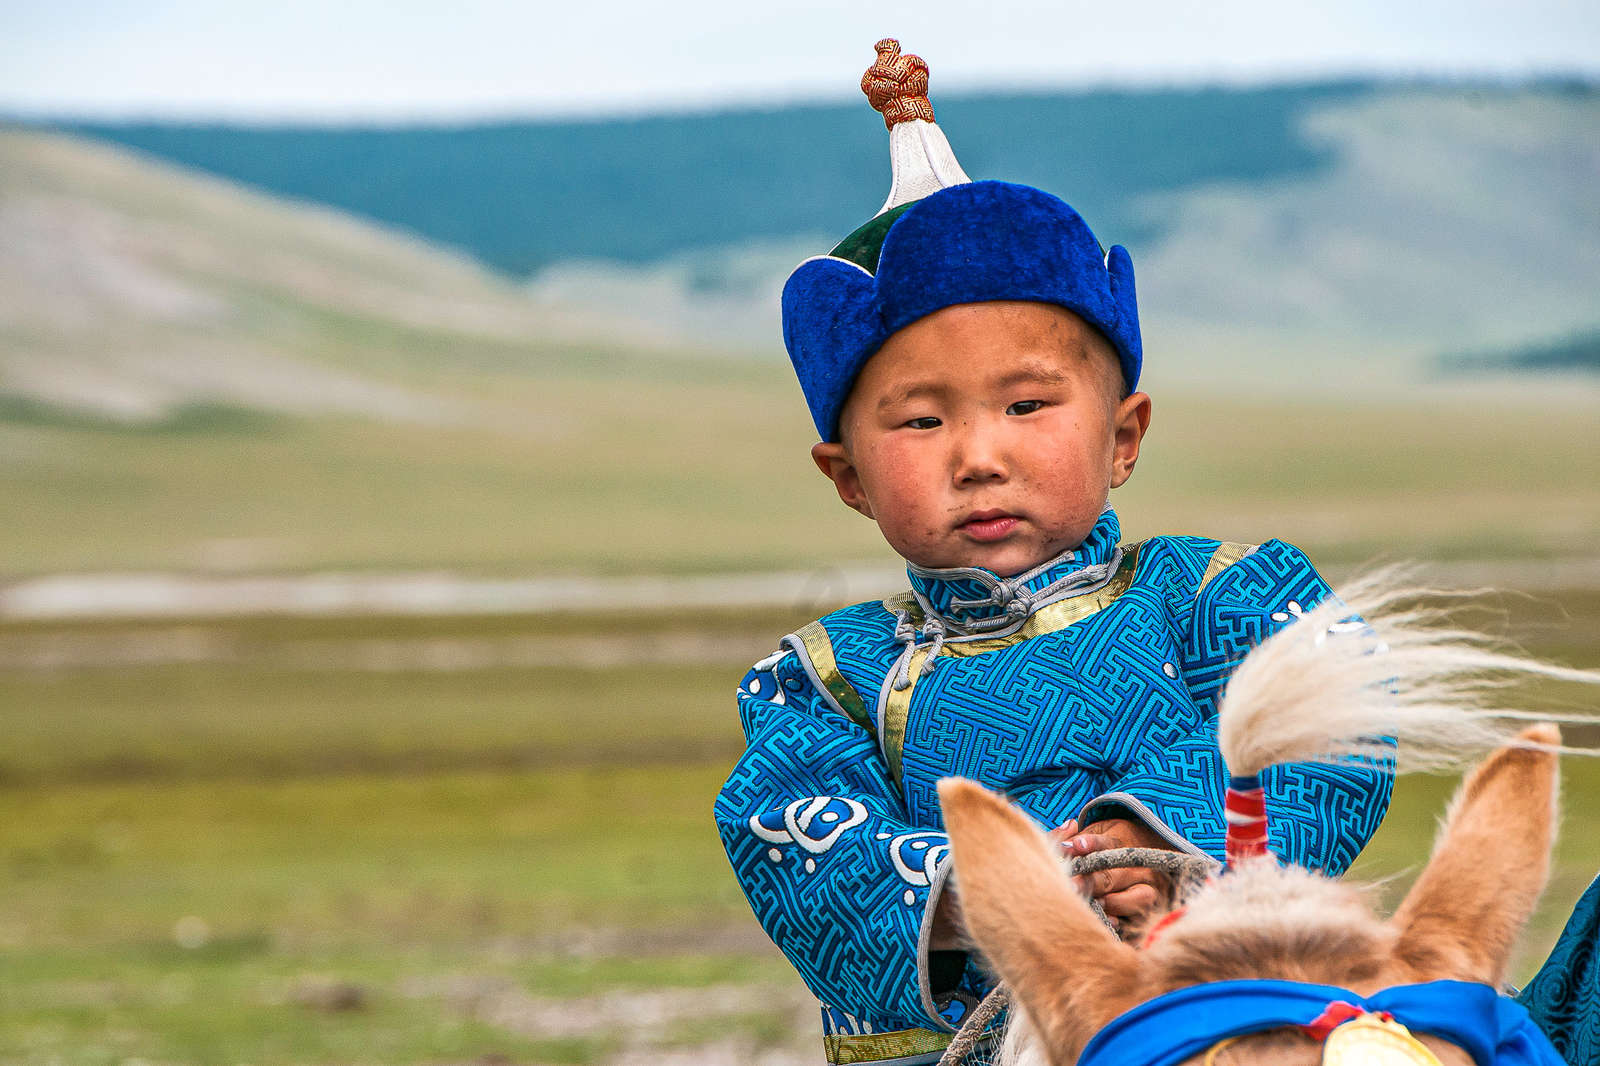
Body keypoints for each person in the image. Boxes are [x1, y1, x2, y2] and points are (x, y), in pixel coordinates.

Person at [713, 40, 1393, 1066]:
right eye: (918, 423)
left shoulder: (1223, 595)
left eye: (1026, 405)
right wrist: (1001, 888)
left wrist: (1151, 838)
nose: (979, 457)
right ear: (845, 476)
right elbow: (793, 843)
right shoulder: (824, 682)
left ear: (1122, 436)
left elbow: (1335, 732)